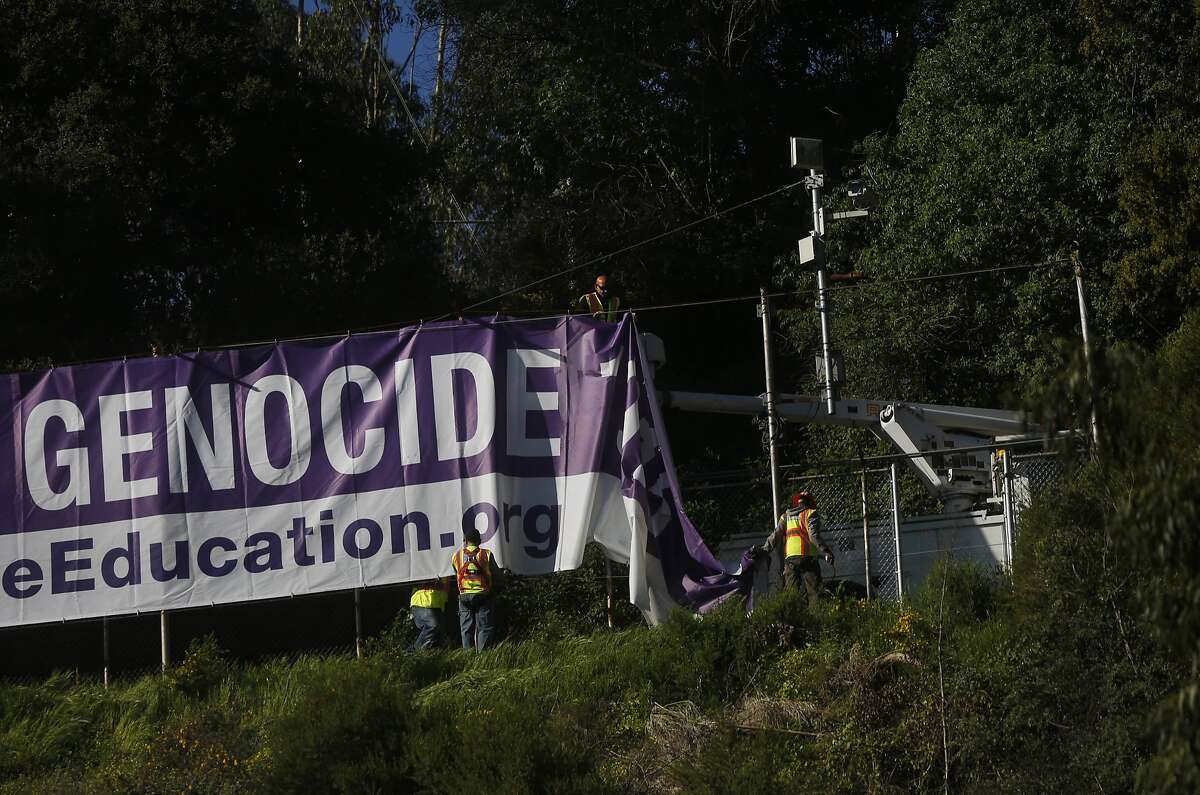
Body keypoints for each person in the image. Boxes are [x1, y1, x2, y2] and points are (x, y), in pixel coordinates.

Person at [752, 490, 834, 608]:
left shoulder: (786, 516)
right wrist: (826, 551)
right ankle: (816, 620)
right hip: (808, 558)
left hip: (791, 560)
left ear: (797, 503)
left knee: (792, 595)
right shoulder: (811, 513)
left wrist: (764, 550)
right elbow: (813, 536)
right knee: (814, 593)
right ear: (810, 503)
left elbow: (775, 536)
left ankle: (794, 621)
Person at [451, 527, 505, 651]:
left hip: (464, 596)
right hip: (483, 596)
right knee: (484, 628)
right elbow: (496, 575)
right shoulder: (486, 554)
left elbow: (457, 574)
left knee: (466, 629)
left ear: (465, 540)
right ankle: (482, 658)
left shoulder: (456, 556)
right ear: (479, 541)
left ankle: (468, 659)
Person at [408, 577, 449, 650]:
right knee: (432, 626)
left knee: (438, 638)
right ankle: (413, 651)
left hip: (435, 604)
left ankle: (428, 658)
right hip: (424, 602)